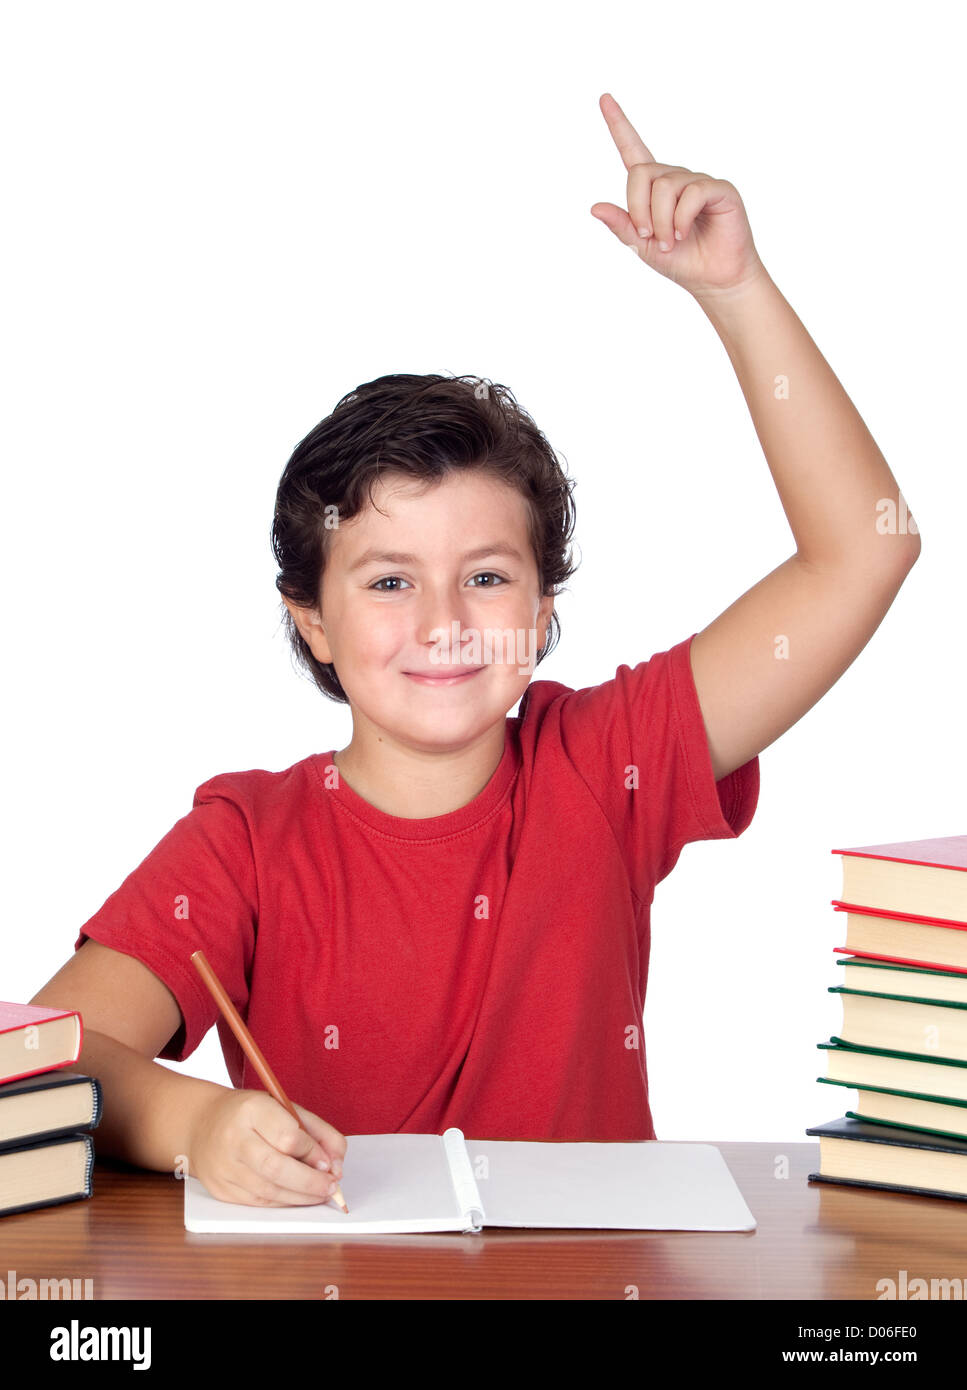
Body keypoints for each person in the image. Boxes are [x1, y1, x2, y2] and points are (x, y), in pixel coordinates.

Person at [30, 93, 920, 1208]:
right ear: (310, 615)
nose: (445, 617)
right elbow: (53, 1057)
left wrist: (735, 295)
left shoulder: (608, 764)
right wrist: (194, 1119)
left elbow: (863, 554)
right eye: (390, 580)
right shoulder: (245, 843)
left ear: (544, 608)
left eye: (487, 576)